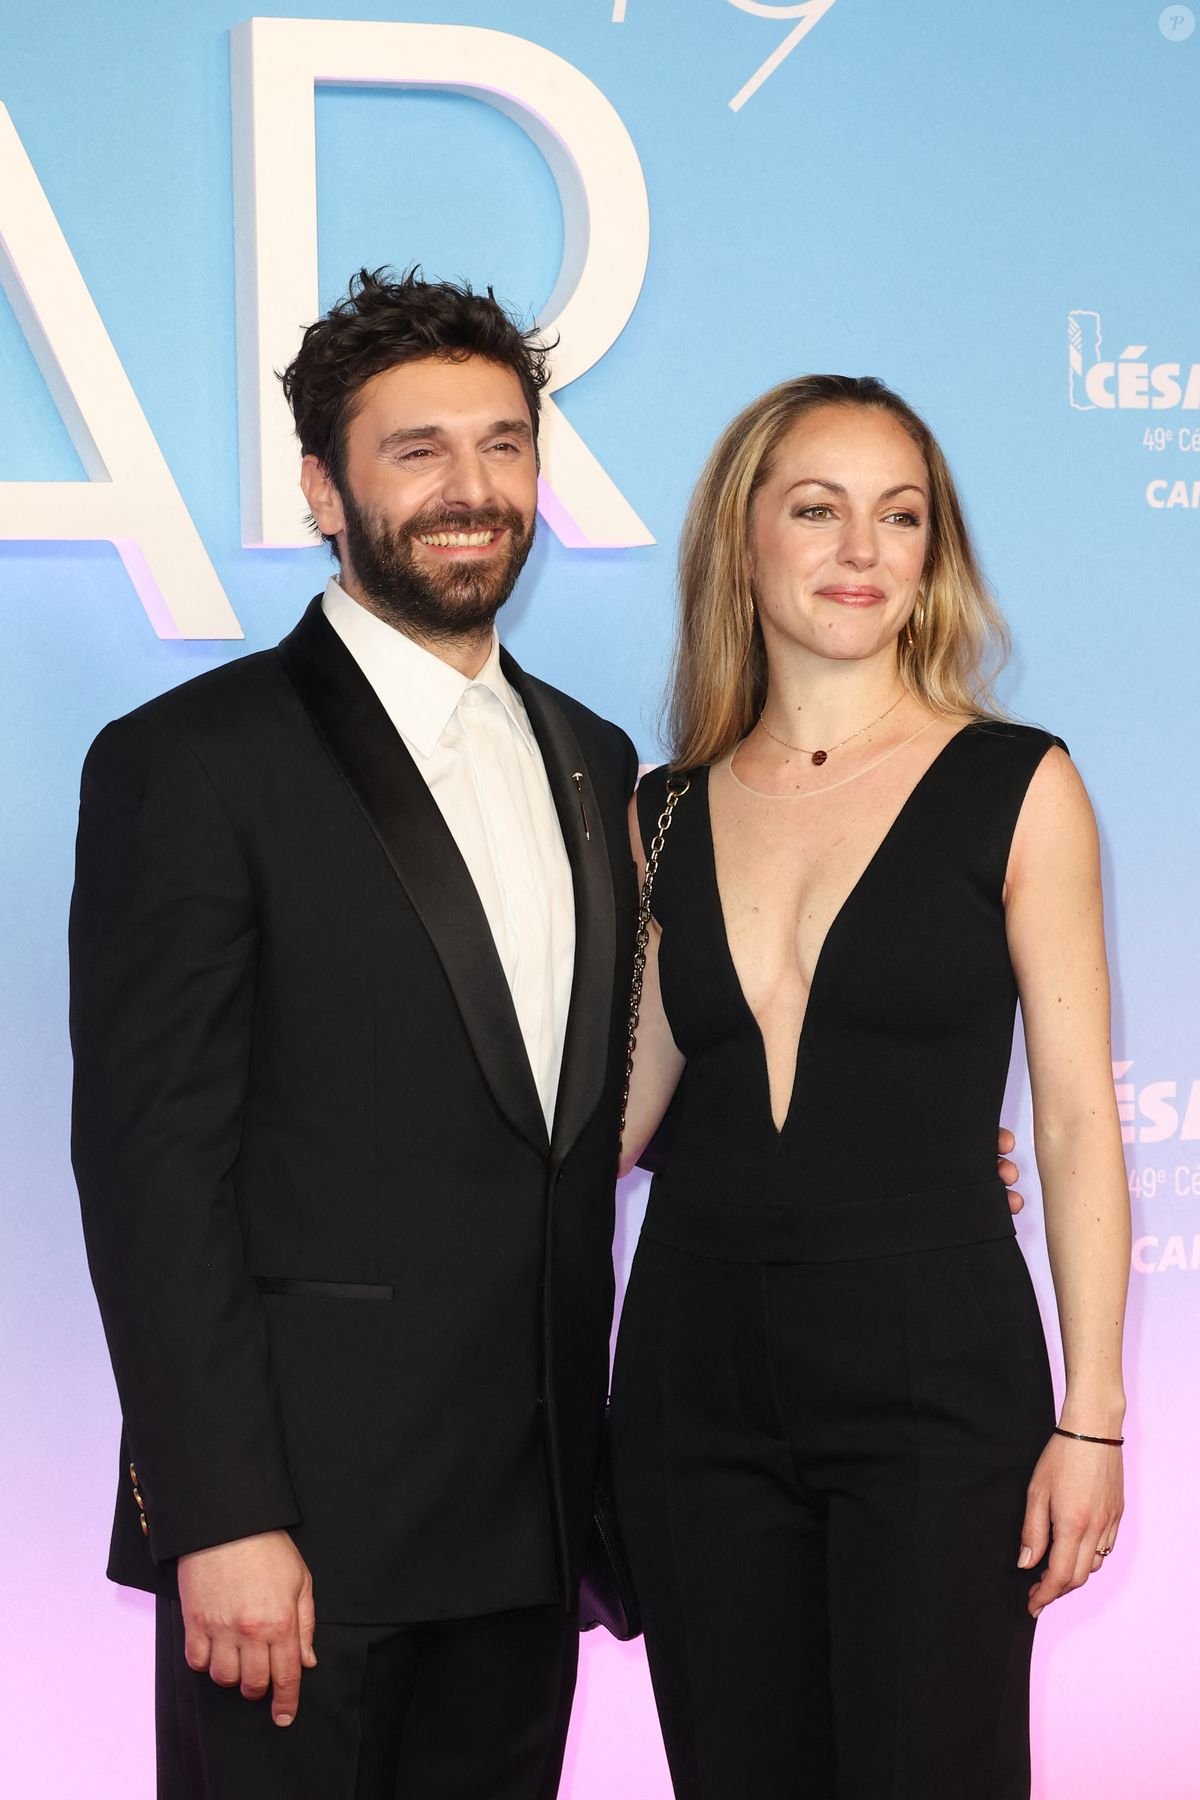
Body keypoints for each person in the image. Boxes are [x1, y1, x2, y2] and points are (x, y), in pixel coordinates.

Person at [69, 268, 642, 1798]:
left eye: (504, 445)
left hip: (527, 1531)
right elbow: (150, 1170)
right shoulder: (190, 763)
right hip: (298, 1542)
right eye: (418, 450)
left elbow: (572, 1111)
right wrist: (218, 1512)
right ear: (325, 489)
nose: (474, 492)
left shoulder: (599, 756)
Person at [612, 375, 1129, 1799]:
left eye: (900, 515)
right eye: (818, 509)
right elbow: (623, 1110)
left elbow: (1079, 1121)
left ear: (932, 553)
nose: (862, 549)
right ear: (744, 542)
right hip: (691, 1380)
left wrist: (1092, 1417)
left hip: (935, 1380)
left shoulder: (1021, 784)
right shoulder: (664, 806)